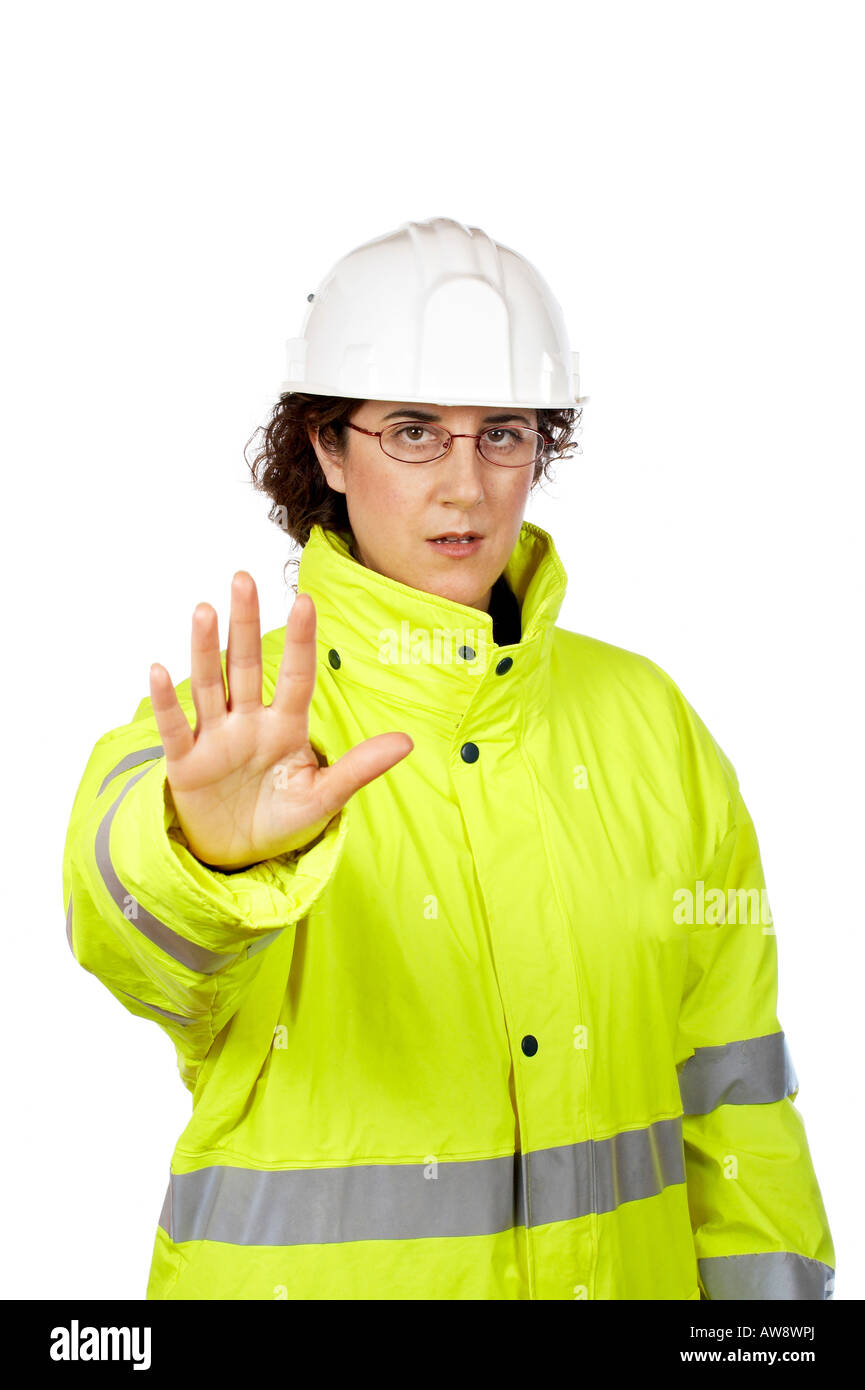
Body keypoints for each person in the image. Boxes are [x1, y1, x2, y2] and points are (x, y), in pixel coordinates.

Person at [62, 216, 835, 1301]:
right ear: (327, 448)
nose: (465, 485)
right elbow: (118, 924)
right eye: (415, 431)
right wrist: (208, 859)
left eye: (504, 431)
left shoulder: (648, 723)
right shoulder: (229, 737)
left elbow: (735, 1103)